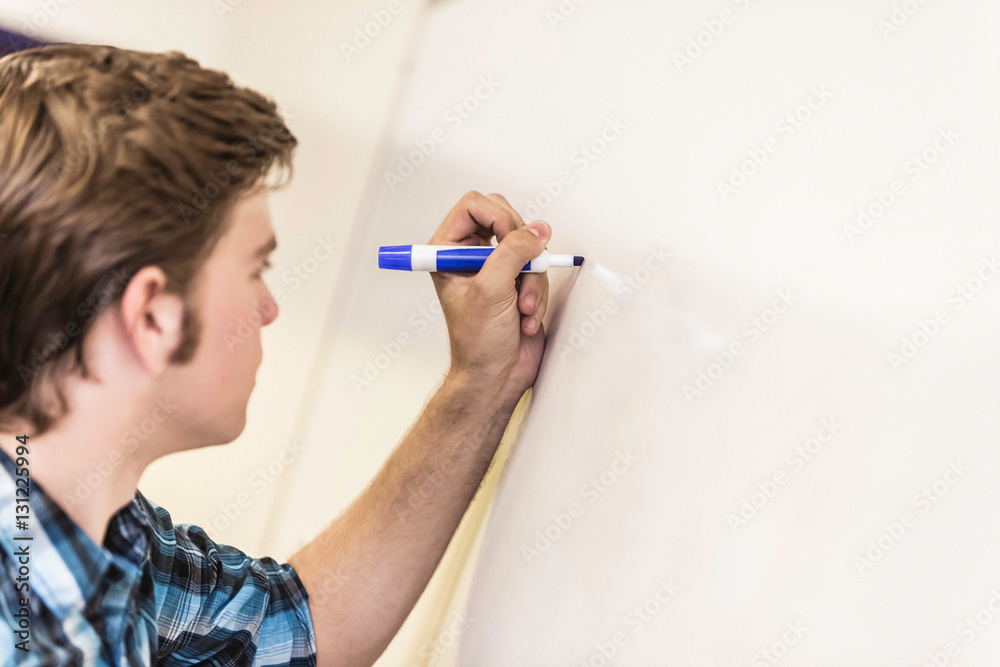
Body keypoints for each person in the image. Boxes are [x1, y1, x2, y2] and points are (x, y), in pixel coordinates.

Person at [0, 43, 552, 666]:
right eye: (255, 267)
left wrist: (482, 380)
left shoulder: (95, 531)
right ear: (152, 315)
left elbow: (293, 629)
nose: (268, 307)